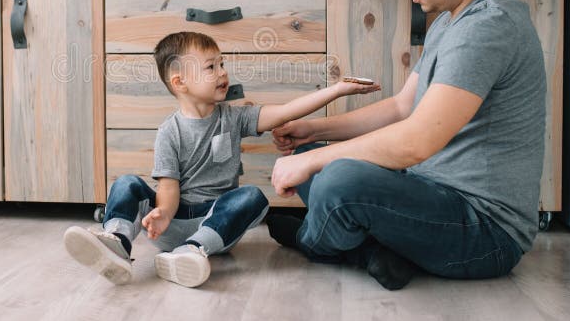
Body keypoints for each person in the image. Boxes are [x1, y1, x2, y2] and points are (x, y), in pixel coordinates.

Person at [267, 0, 546, 291]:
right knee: (314, 158)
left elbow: (415, 141)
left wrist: (319, 163)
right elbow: (402, 108)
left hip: (485, 230)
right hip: (431, 192)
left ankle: (317, 242)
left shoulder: (488, 28)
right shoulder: (451, 22)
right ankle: (382, 252)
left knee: (338, 180)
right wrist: (315, 133)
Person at [63, 31, 379, 287]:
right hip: (170, 219)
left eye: (222, 64)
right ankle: (117, 244)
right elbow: (169, 188)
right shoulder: (169, 132)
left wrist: (336, 91)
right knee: (126, 183)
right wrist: (162, 213)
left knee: (254, 197)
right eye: (211, 67)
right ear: (180, 83)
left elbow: (285, 112)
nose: (223, 73)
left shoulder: (234, 118)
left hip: (215, 226)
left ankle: (192, 251)